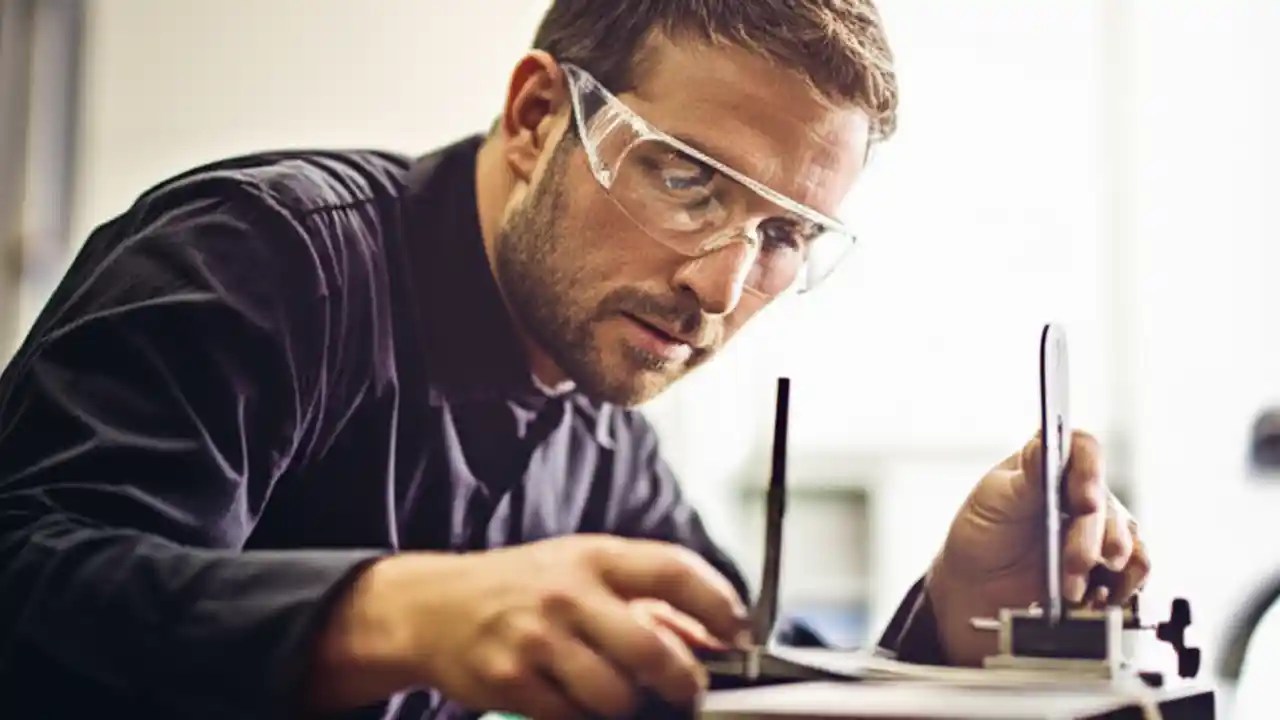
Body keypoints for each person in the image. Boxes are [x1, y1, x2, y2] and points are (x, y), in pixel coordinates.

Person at [0, 1, 1149, 719]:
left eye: (784, 235)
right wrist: (400, 614)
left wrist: (954, 616)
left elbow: (740, 687)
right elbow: (32, 575)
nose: (721, 284)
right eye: (688, 178)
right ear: (538, 115)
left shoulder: (601, 436)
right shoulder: (263, 258)